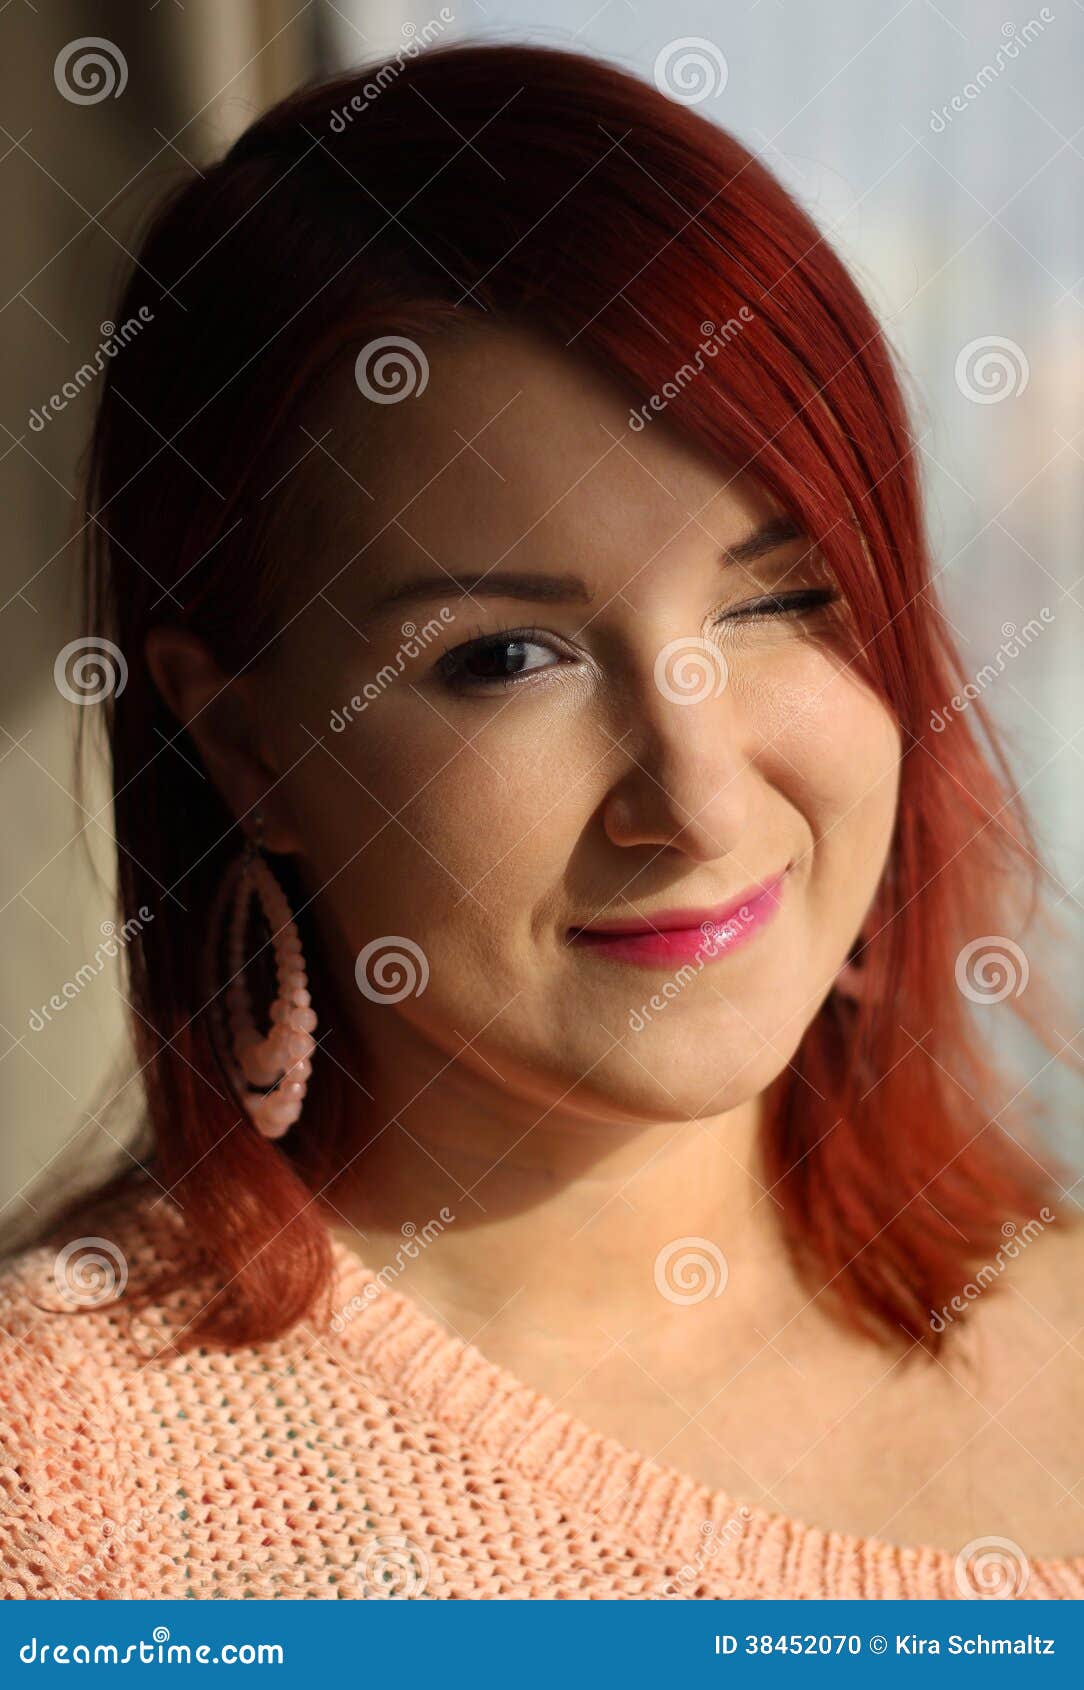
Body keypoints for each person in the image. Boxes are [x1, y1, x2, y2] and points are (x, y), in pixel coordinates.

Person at [1, 40, 1080, 1601]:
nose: (700, 796)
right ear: (247, 744)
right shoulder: (75, 1497)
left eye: (782, 597)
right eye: (505, 657)